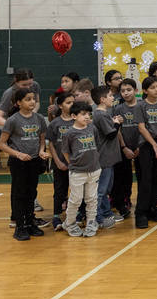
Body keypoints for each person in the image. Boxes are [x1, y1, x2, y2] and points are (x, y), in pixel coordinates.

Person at [0, 87, 48, 240]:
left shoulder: (39, 118)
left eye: (33, 98)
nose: (32, 101)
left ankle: (30, 222)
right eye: (28, 99)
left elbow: (41, 139)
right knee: (20, 194)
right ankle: (20, 226)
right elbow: (1, 144)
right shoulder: (13, 120)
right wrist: (18, 154)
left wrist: (41, 151)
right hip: (18, 163)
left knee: (31, 193)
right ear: (19, 103)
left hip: (34, 161)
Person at [56, 102, 101, 238]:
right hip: (77, 171)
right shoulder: (69, 133)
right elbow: (65, 151)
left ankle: (91, 222)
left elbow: (97, 145)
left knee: (91, 198)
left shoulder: (92, 128)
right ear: (74, 116)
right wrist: (73, 164)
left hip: (94, 169)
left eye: (88, 114)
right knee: (76, 199)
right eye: (83, 114)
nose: (87, 116)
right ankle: (70, 223)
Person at [133, 77, 157, 229]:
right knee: (146, 179)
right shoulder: (140, 106)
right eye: (152, 87)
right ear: (145, 91)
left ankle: (153, 208)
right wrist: (154, 144)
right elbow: (141, 127)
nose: (156, 89)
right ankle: (141, 212)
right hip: (147, 145)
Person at [89, 85, 123, 230]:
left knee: (106, 188)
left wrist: (114, 122)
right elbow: (110, 134)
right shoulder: (101, 114)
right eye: (110, 95)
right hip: (104, 158)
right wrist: (116, 124)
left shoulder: (104, 114)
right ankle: (97, 218)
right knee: (101, 190)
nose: (113, 97)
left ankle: (106, 213)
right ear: (102, 99)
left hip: (109, 157)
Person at [110, 79, 141, 219]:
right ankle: (125, 199)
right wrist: (124, 147)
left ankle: (144, 201)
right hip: (124, 148)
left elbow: (145, 128)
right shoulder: (118, 109)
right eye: (122, 91)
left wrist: (141, 146)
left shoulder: (142, 106)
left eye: (129, 90)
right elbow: (118, 130)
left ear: (135, 90)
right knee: (125, 176)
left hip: (141, 147)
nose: (126, 93)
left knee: (143, 175)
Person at [46, 93, 76, 231]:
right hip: (60, 163)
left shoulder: (79, 121)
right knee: (59, 190)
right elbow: (51, 143)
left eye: (73, 102)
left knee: (77, 190)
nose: (71, 105)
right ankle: (57, 216)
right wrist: (57, 161)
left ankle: (77, 215)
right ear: (60, 105)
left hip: (76, 164)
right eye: (68, 103)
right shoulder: (55, 123)